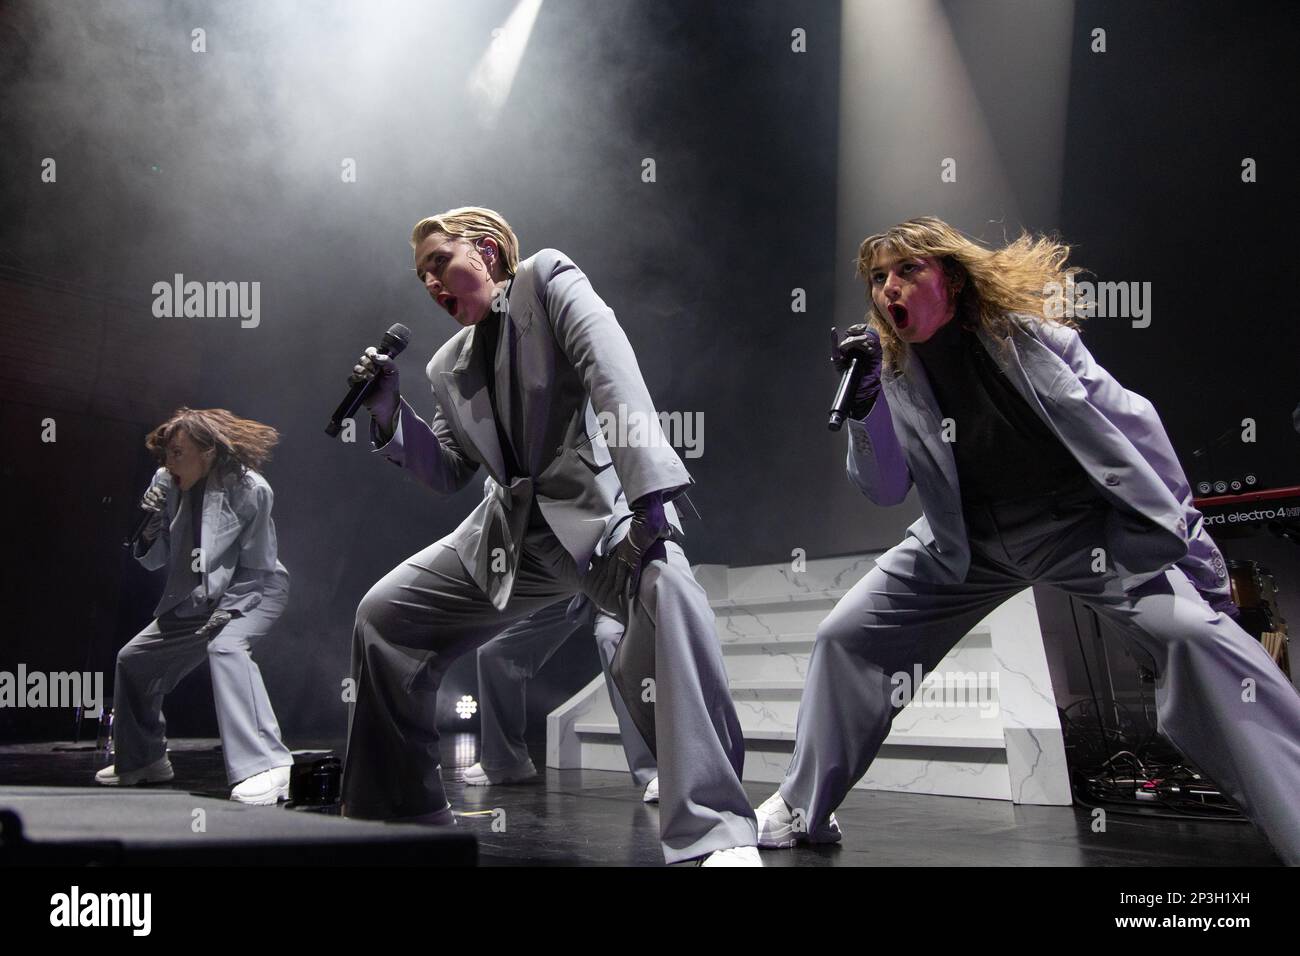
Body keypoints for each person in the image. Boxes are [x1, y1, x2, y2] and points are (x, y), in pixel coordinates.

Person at [755, 216, 1300, 865]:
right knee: (847, 636)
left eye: (907, 270)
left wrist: (1207, 579)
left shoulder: (1036, 343)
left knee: (1198, 639)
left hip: (1081, 530)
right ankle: (803, 806)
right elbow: (883, 488)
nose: (888, 288)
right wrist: (868, 404)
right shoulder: (890, 374)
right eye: (877, 277)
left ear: (951, 281)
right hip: (965, 539)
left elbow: (1145, 443)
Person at [340, 206, 756, 865]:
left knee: (671, 591)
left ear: (489, 250)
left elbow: (608, 367)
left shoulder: (546, 279)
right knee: (384, 616)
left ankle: (714, 831)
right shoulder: (445, 367)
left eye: (439, 262)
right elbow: (450, 471)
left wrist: (650, 496)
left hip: (592, 520)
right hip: (505, 539)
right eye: (421, 275)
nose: (430, 283)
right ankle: (402, 810)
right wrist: (391, 415)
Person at [96, 408, 295, 805]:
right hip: (199, 597)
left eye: (177, 453)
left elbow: (257, 564)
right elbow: (155, 559)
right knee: (134, 660)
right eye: (166, 454)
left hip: (255, 590)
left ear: (207, 452)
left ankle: (269, 765)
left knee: (225, 647)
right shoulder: (166, 483)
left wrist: (230, 611)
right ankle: (144, 760)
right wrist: (150, 526)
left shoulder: (250, 488)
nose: (169, 464)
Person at [470, 588, 658, 801]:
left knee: (612, 637)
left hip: (615, 583)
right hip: (569, 584)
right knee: (495, 650)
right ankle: (505, 762)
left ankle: (657, 769)